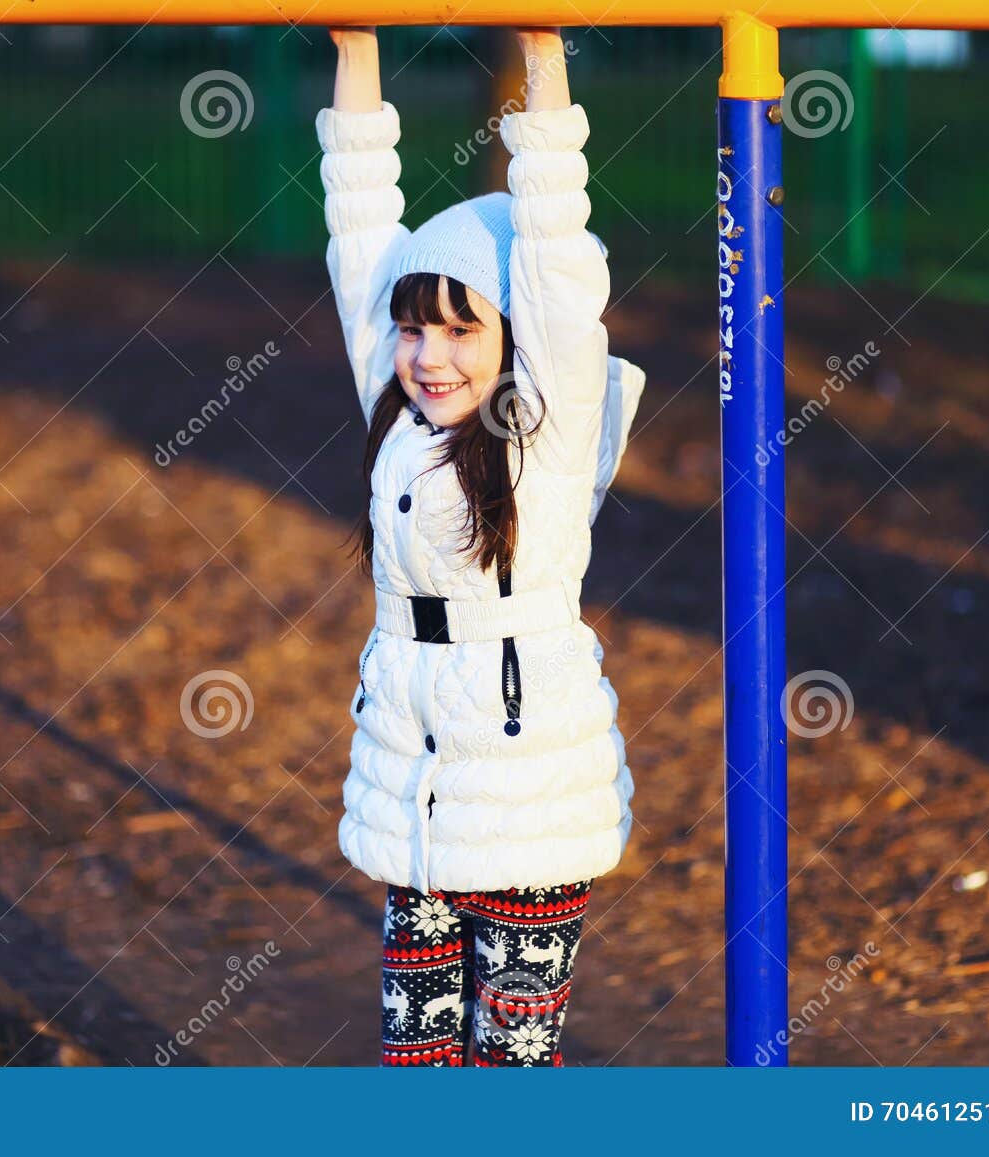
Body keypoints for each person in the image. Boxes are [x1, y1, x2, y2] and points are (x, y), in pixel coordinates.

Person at [316, 25, 647, 1066]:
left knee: (512, 1063)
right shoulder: (399, 406)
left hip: (527, 796)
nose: (427, 355)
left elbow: (552, 244)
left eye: (462, 329)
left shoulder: (538, 424)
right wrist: (355, 40)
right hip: (420, 791)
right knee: (417, 1058)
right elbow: (359, 215)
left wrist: (541, 48)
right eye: (414, 328)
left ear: (511, 339)